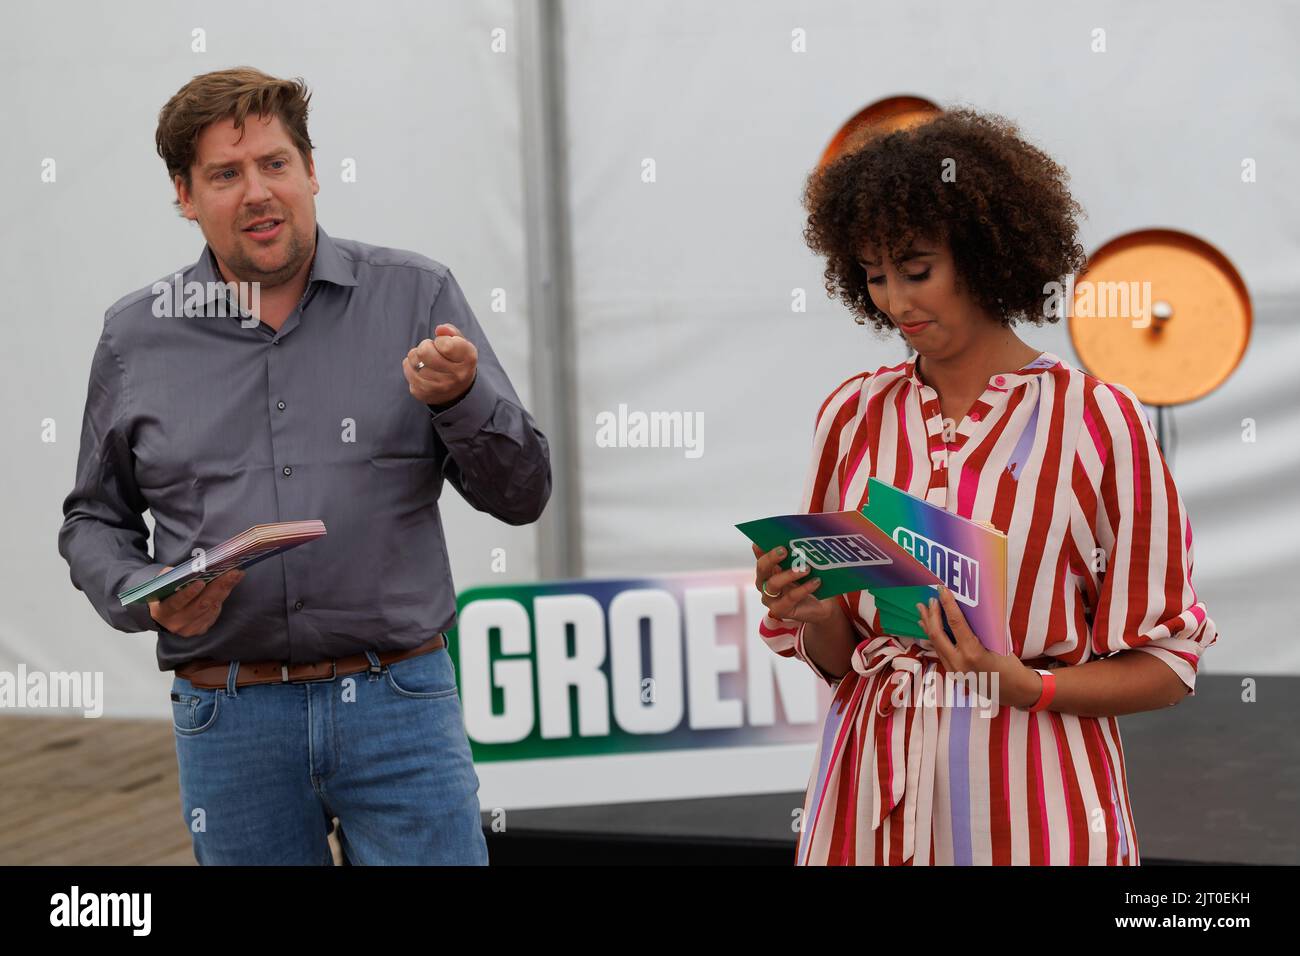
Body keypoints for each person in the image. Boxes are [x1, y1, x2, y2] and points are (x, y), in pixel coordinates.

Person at [57, 67, 552, 865]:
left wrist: (461, 398)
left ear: (313, 172)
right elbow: (93, 519)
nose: (257, 191)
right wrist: (142, 597)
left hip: (401, 706)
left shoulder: (417, 297)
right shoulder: (135, 336)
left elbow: (523, 494)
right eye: (225, 173)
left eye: (276, 164)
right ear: (184, 196)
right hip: (230, 718)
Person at [752, 108, 1217, 866]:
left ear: (985, 253)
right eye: (873, 277)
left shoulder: (1099, 422)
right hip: (868, 797)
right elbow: (839, 660)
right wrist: (806, 610)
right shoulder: (852, 415)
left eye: (916, 269)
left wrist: (1026, 685)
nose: (897, 303)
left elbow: (1168, 666)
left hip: (1040, 803)